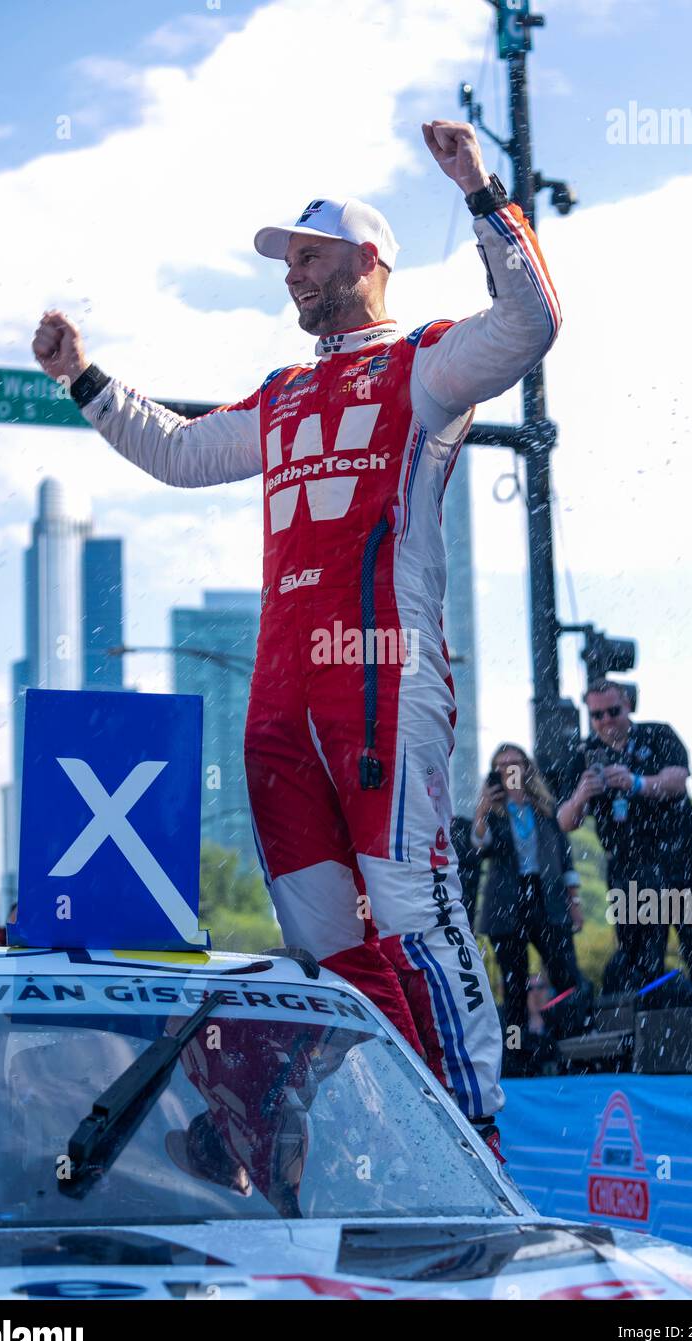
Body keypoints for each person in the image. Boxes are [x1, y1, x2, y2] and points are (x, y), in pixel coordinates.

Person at [31, 119, 561, 1146]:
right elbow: (180, 453)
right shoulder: (279, 396)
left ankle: (478, 1135)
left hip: (380, 683)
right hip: (279, 710)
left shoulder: (425, 364)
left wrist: (479, 188)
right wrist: (83, 378)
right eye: (287, 262)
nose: (292, 275)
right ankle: (414, 1138)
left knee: (410, 909)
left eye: (308, 256)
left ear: (370, 261)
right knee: (324, 942)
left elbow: (532, 321)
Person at [557, 681, 692, 1003]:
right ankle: (659, 1037)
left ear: (629, 705)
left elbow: (678, 779)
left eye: (613, 711)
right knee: (642, 967)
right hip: (631, 869)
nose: (606, 721)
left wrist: (638, 783)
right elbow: (566, 821)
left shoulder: (658, 734)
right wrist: (582, 794)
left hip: (683, 860)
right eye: (597, 715)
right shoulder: (583, 755)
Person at [472, 743, 585, 1065]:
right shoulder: (492, 810)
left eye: (515, 763)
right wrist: (481, 810)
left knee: (566, 974)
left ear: (526, 767)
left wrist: (573, 901)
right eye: (501, 765)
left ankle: (570, 1044)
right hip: (506, 900)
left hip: (545, 895)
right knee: (514, 983)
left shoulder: (545, 808)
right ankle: (517, 1054)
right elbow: (480, 846)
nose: (509, 769)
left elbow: (565, 858)